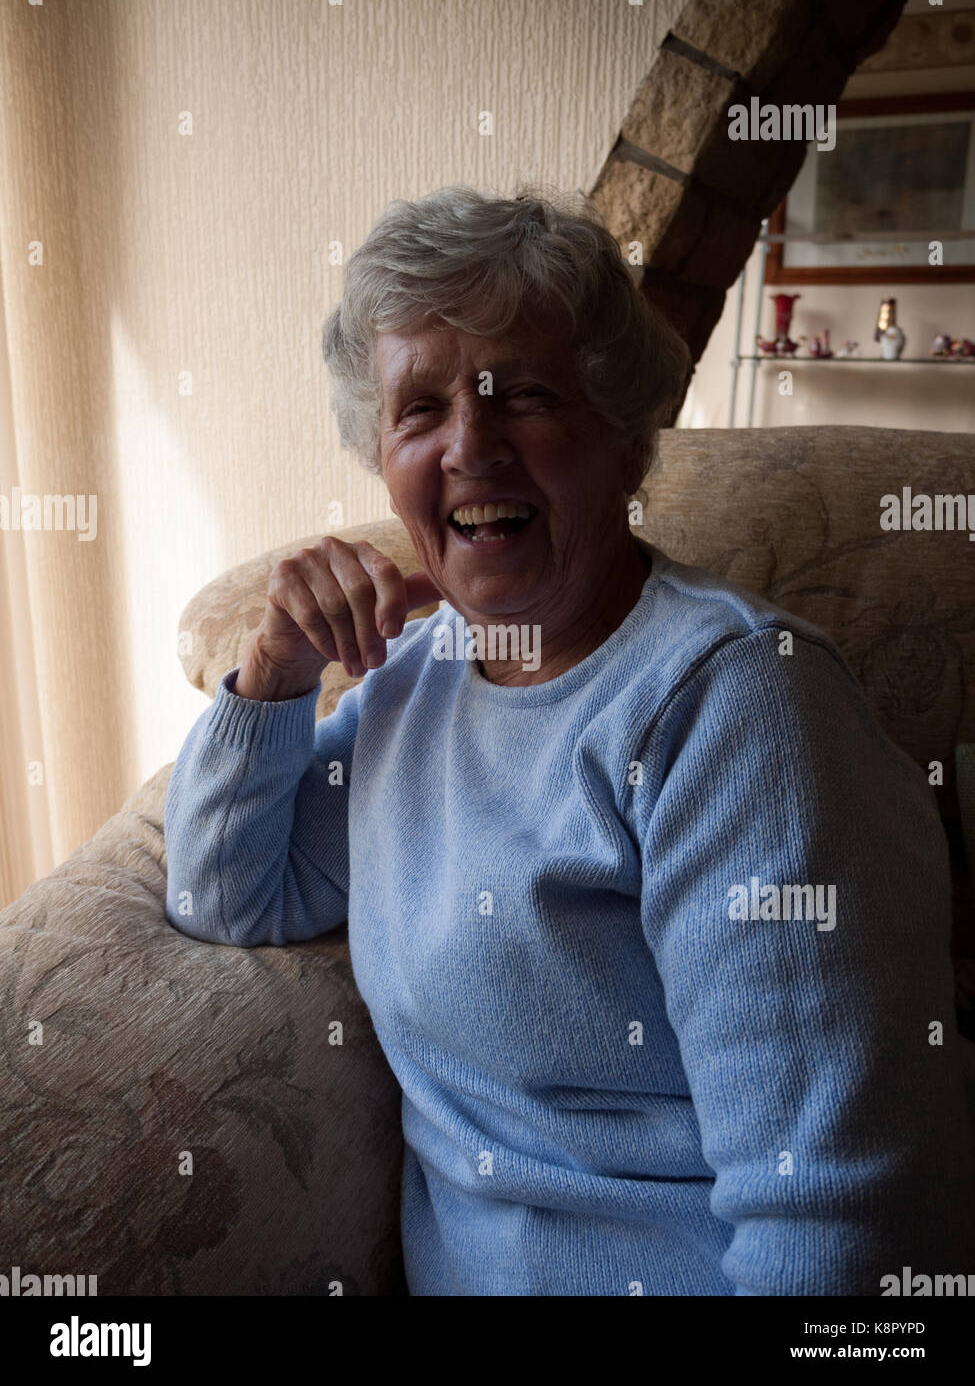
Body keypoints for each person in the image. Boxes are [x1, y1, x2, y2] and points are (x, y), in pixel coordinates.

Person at [164, 184, 975, 1295]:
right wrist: (271, 678)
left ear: (623, 443)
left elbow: (838, 1222)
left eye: (526, 396)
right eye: (421, 410)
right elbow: (226, 895)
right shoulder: (417, 678)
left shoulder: (739, 713)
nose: (470, 446)